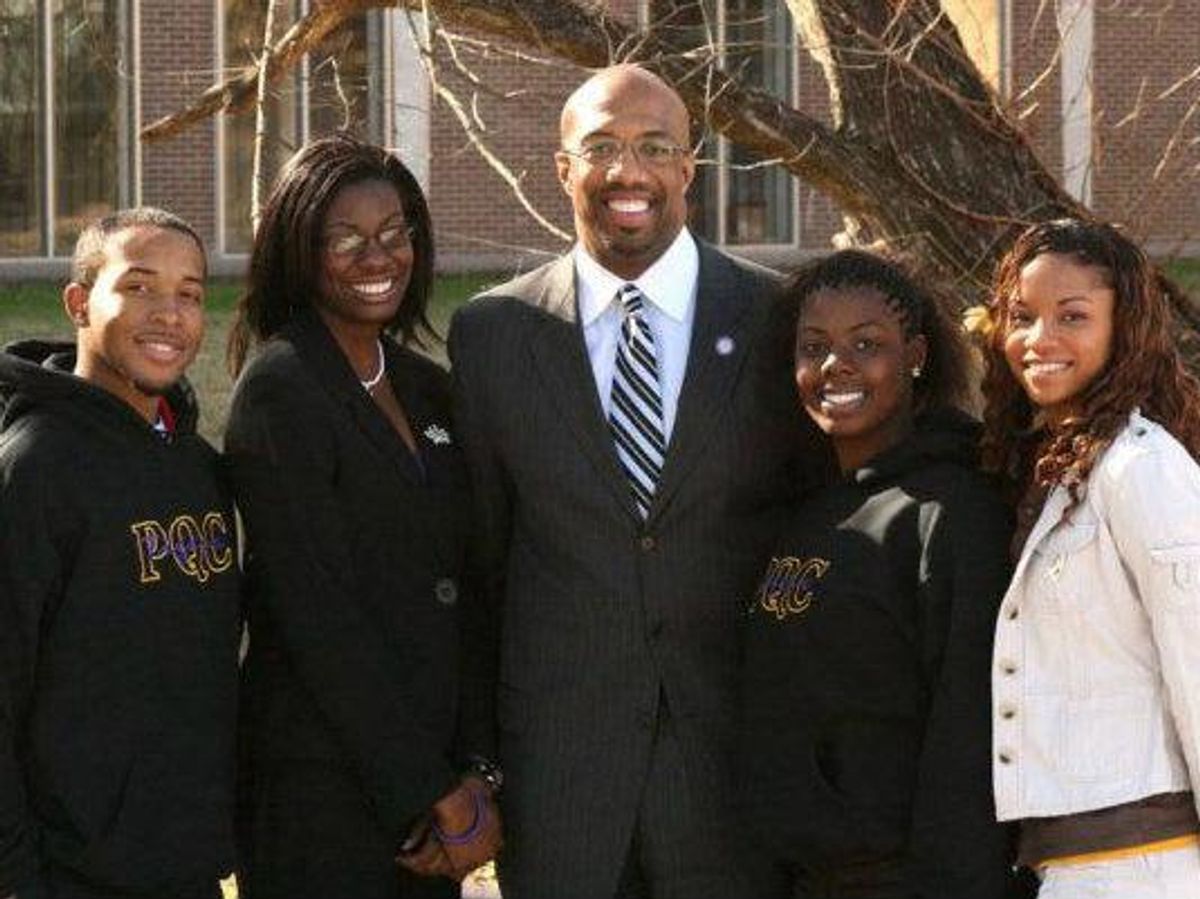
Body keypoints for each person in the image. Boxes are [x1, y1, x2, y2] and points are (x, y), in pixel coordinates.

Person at [448, 64, 823, 899]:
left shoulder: (777, 319)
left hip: (734, 778)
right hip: (564, 786)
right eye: (603, 149)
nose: (629, 173)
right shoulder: (492, 335)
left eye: (655, 148)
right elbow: (482, 564)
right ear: (563, 169)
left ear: (689, 168)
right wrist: (480, 760)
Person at [224, 133, 500, 899]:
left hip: (434, 785)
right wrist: (428, 788)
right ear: (299, 249)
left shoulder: (428, 386)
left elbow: (469, 583)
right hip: (319, 789)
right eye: (344, 238)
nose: (377, 256)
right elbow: (316, 616)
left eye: (393, 233)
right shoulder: (280, 389)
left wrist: (476, 769)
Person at [738, 250, 1018, 898]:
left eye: (867, 343)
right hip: (808, 877)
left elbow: (967, 735)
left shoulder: (952, 514)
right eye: (815, 346)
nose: (836, 365)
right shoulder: (809, 509)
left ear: (916, 354)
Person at [0, 207, 241, 899]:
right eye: (138, 286)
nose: (169, 313)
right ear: (79, 302)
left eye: (190, 293)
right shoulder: (33, 469)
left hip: (186, 863)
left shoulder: (198, 467)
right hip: (65, 872)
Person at [979, 219, 1200, 897]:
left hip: (1142, 864)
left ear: (1123, 326)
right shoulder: (1049, 469)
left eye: (1072, 316)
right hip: (1063, 864)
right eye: (1022, 316)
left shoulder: (1142, 467)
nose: (1039, 339)